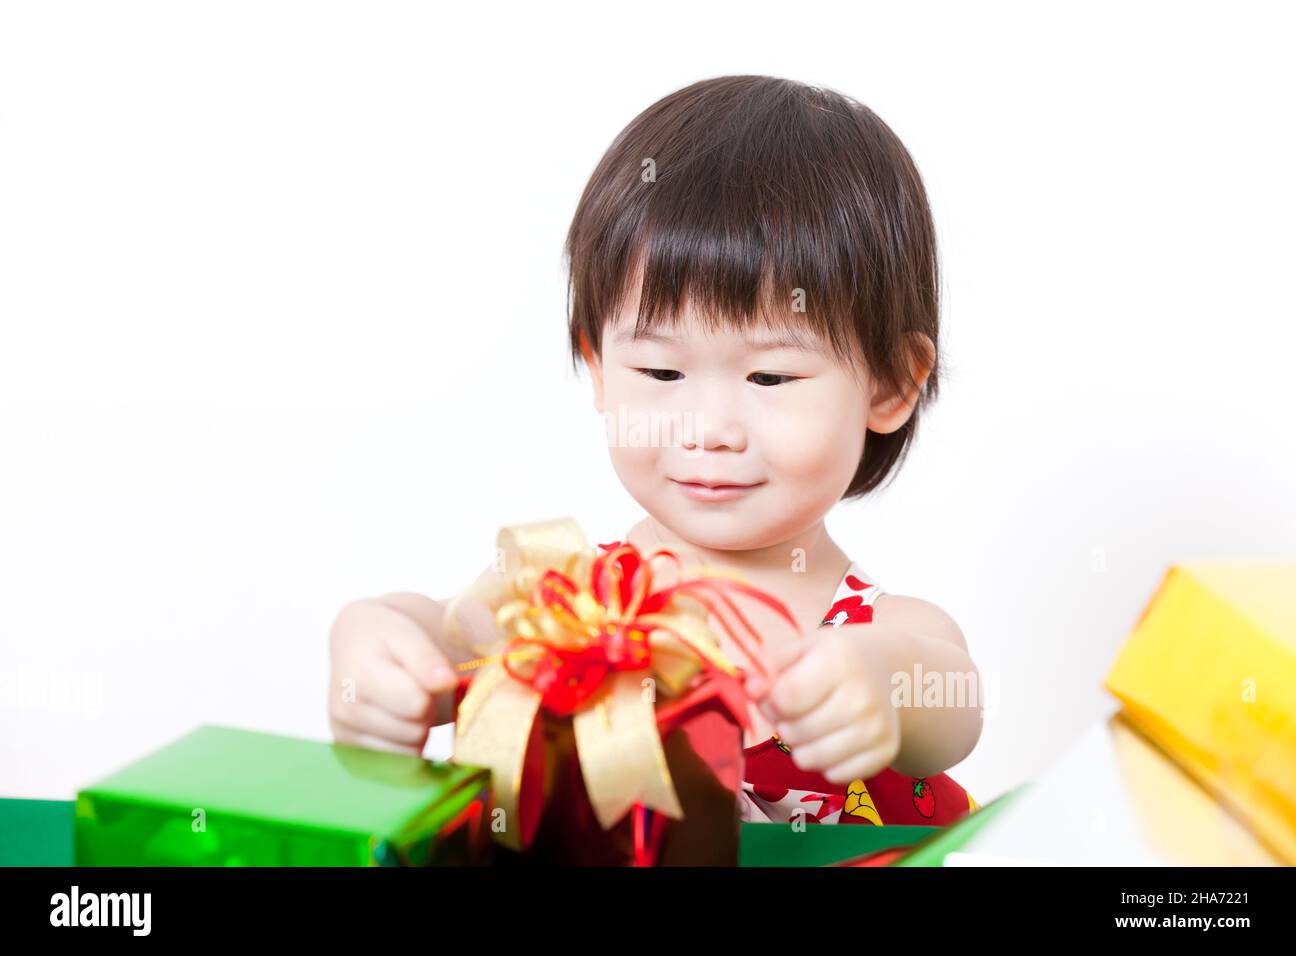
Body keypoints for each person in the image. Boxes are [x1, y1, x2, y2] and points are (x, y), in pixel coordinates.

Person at [328, 74, 983, 826]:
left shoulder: (883, 630)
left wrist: (882, 680)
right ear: (601, 370)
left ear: (891, 385)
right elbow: (448, 634)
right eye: (661, 372)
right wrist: (379, 639)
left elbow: (951, 700)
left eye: (771, 374)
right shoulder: (565, 599)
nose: (708, 428)